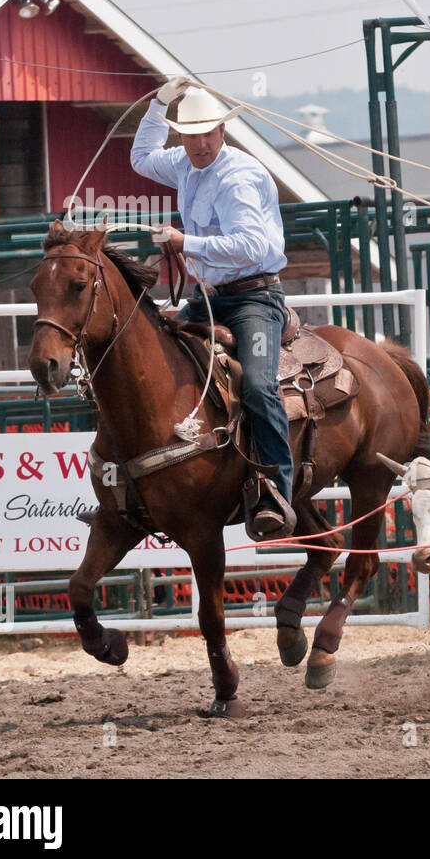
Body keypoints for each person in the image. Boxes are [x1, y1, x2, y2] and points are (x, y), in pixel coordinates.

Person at [131, 76, 296, 536]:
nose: (200, 143)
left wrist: (187, 242)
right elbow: (141, 157)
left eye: (207, 133)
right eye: (190, 134)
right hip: (211, 298)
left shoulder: (238, 177)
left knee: (260, 385)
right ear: (181, 136)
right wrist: (157, 103)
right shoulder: (184, 163)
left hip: (254, 298)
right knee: (158, 358)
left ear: (222, 132)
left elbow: (250, 246)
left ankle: (276, 490)